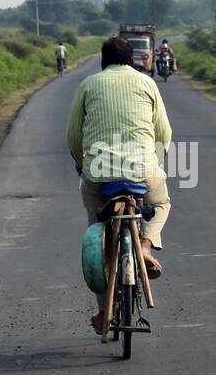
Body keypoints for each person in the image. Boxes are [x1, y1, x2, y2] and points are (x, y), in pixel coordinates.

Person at [67, 36, 172, 335]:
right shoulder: (147, 84)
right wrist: (154, 162)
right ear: (132, 60)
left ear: (103, 60)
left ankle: (104, 312)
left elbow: (73, 136)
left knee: (97, 236)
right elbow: (164, 132)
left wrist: (80, 162)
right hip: (143, 170)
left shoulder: (88, 85)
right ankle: (145, 245)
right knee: (162, 203)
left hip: (98, 175)